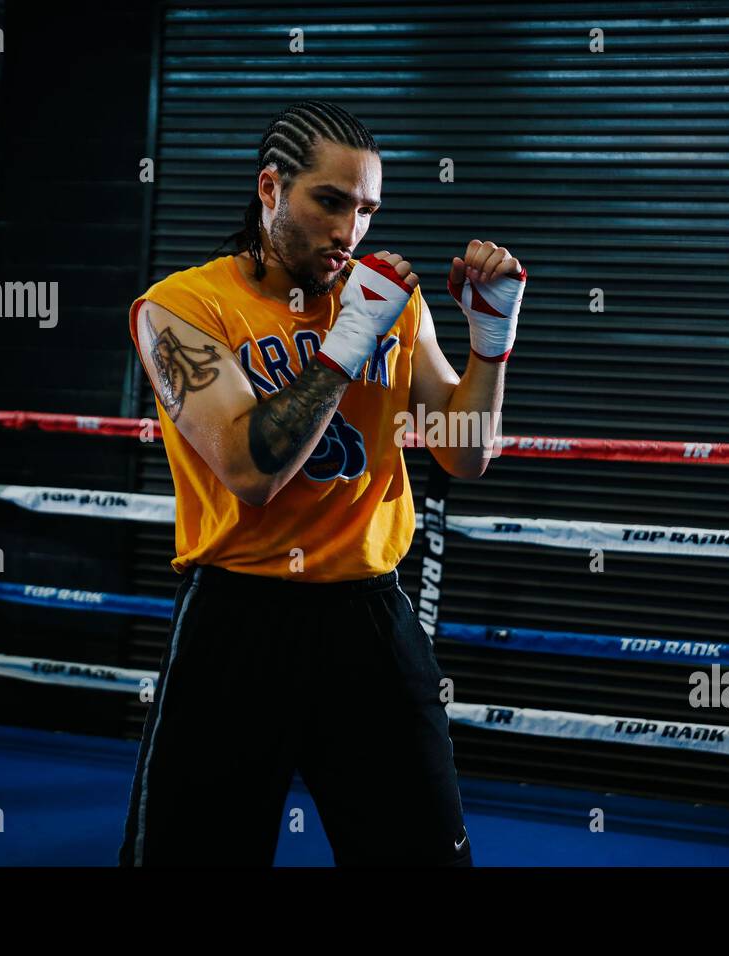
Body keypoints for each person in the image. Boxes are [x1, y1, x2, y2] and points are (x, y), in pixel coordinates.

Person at [118, 100, 527, 866]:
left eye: (367, 209)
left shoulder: (387, 306)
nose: (350, 232)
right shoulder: (180, 310)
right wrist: (345, 345)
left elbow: (463, 452)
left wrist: (489, 345)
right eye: (330, 203)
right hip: (237, 618)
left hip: (368, 618)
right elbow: (249, 468)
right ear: (271, 189)